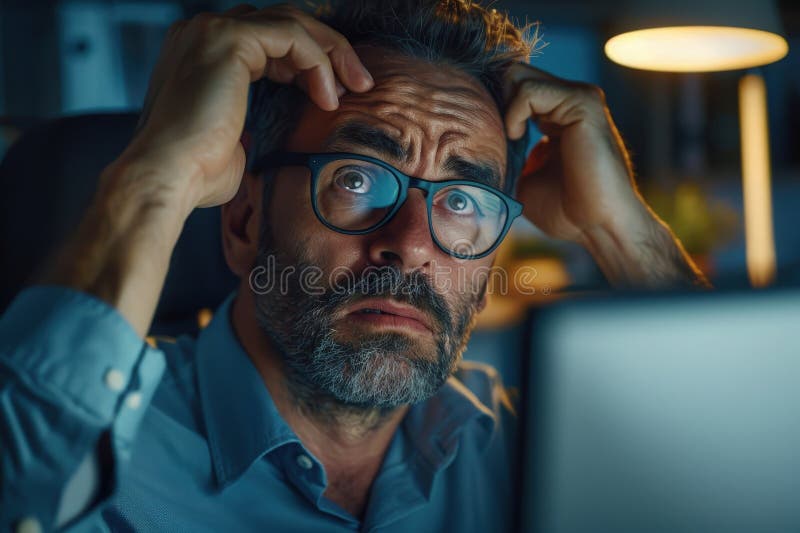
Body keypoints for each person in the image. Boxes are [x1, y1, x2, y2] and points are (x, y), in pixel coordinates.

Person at [0, 1, 708, 532]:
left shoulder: (526, 446)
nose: (412, 243)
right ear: (244, 222)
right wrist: (158, 177)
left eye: (462, 200)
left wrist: (623, 230)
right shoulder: (106, 460)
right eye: (358, 178)